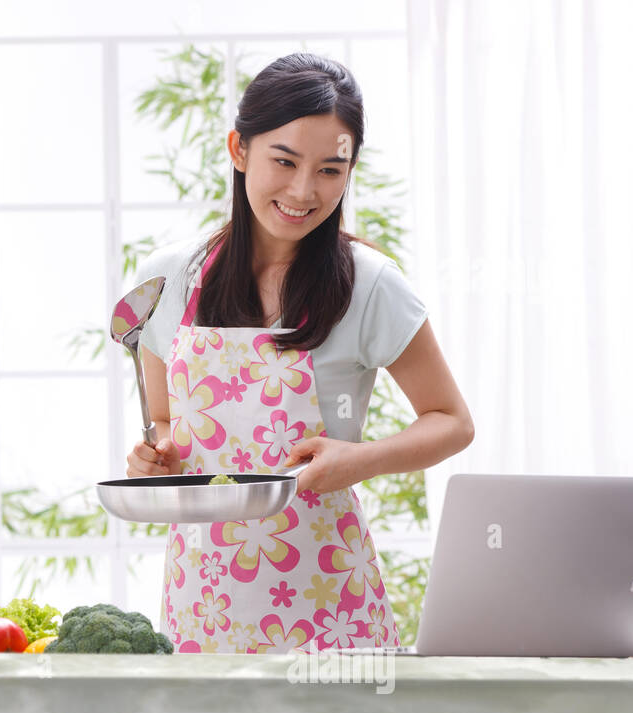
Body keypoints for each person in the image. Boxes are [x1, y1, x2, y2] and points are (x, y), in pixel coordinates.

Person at [128, 52, 474, 654]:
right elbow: (165, 423)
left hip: (329, 605)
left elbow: (452, 422)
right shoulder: (169, 279)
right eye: (284, 161)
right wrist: (154, 461)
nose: (303, 191)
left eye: (330, 170)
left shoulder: (370, 284)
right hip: (203, 599)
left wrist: (357, 459)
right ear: (239, 150)